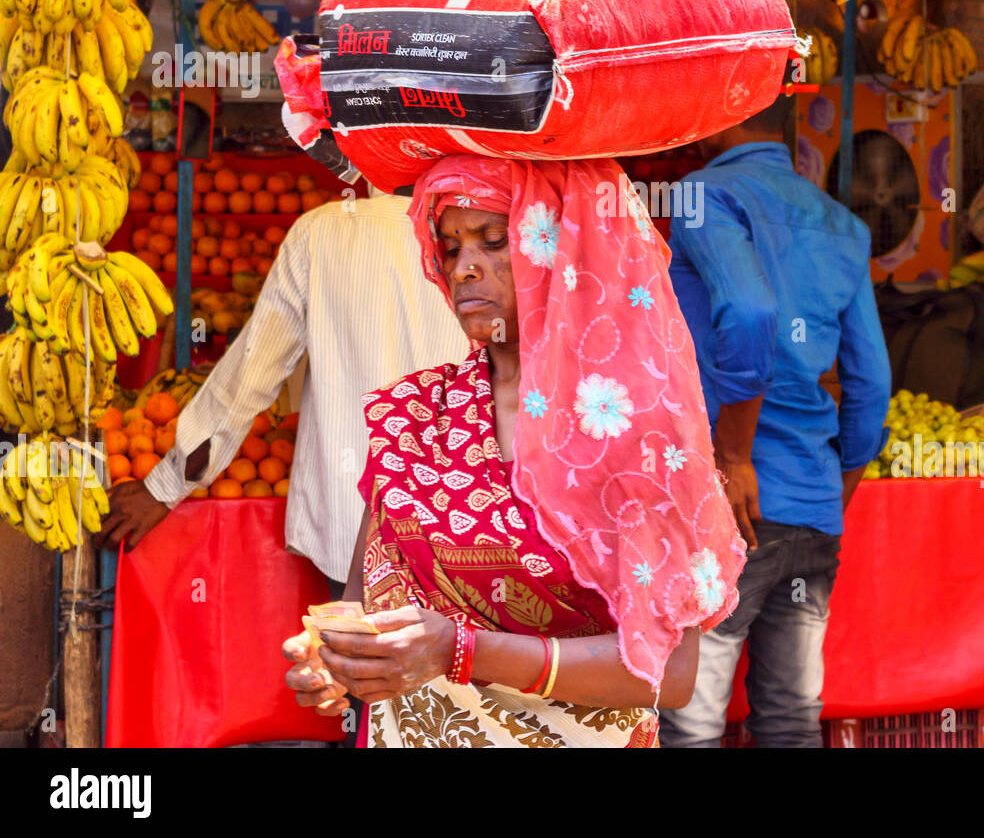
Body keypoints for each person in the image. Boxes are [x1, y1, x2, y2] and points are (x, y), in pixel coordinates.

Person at [282, 156, 746, 748]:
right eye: (449, 249)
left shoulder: (634, 431)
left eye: (493, 241)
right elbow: (361, 604)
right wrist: (335, 657)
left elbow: (669, 674)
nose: (465, 268)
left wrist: (463, 653)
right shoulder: (418, 417)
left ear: (563, 252)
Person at [658, 94, 891, 748]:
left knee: (691, 725)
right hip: (810, 505)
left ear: (727, 114)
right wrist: (835, 484)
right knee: (791, 718)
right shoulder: (839, 222)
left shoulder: (704, 195)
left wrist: (733, 457)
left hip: (729, 505)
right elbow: (872, 382)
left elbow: (752, 310)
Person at [95, 191, 468, 591]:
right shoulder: (494, 231)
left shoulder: (324, 230)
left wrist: (165, 487)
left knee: (357, 648)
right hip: (474, 528)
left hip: (351, 538)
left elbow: (251, 375)